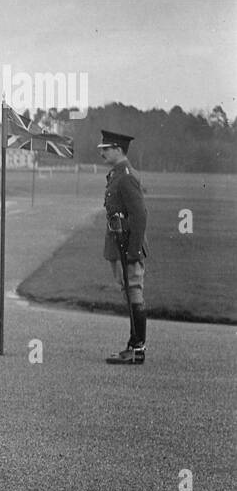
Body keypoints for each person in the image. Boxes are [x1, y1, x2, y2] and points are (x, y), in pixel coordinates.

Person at [99, 130, 148, 364]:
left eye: (106, 148)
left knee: (134, 292)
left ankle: (137, 348)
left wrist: (133, 251)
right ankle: (133, 345)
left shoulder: (126, 175)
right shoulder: (117, 174)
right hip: (119, 241)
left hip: (127, 244)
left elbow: (140, 215)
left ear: (118, 150)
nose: (102, 152)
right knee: (129, 294)